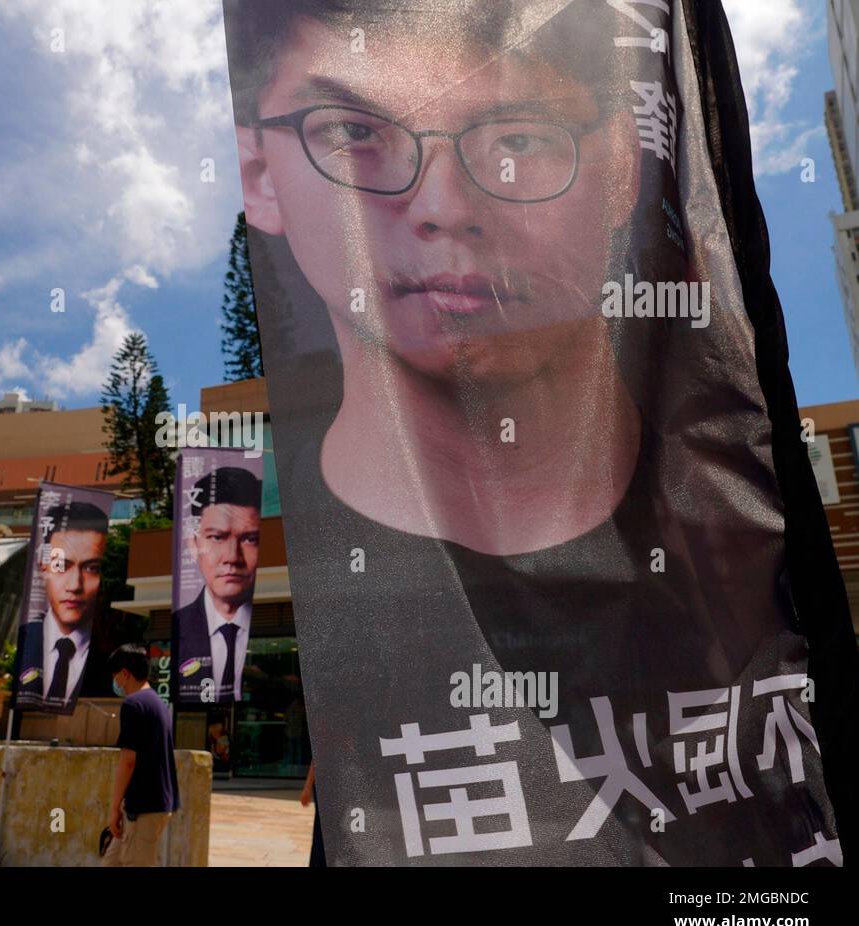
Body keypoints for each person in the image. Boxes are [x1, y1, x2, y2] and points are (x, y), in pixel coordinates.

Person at [222, 0, 842, 865]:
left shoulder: (736, 532)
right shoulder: (353, 628)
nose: (441, 208)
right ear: (258, 170)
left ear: (625, 162)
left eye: (519, 137)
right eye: (353, 130)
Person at [173, 467, 262, 702]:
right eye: (217, 537)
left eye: (249, 539)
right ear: (193, 545)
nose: (232, 557)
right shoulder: (178, 627)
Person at [15, 501, 108, 711]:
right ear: (43, 568)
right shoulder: (26, 639)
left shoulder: (105, 652)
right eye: (61, 566)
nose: (75, 585)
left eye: (92, 568)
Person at [104, 644, 179, 867]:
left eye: (115, 677)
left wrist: (114, 808)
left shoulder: (133, 704)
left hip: (144, 807)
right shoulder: (157, 703)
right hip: (153, 804)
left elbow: (128, 762)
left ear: (125, 673)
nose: (116, 683)